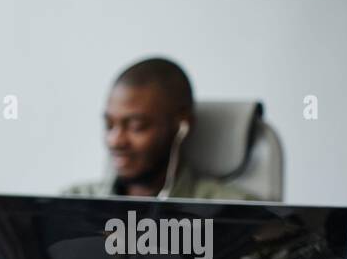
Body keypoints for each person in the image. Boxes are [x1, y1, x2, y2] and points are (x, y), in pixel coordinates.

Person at [64, 57, 255, 200]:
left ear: (182, 125)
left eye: (136, 126)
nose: (115, 140)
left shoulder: (233, 211)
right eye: (109, 125)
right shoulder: (73, 202)